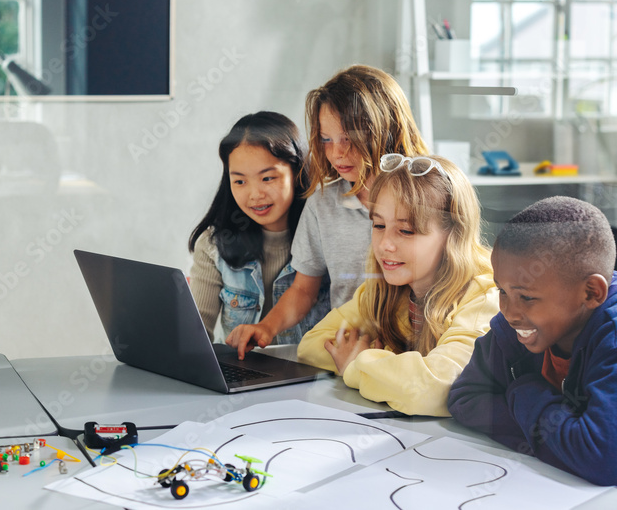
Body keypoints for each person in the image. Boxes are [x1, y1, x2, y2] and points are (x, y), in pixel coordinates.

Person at [227, 65, 428, 358]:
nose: (337, 153)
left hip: (414, 355)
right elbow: (302, 290)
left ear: (386, 128)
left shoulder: (429, 194)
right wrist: (266, 327)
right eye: (326, 139)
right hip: (347, 356)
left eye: (349, 138)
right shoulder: (323, 203)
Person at [296, 154, 498, 417]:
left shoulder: (485, 297)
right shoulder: (383, 292)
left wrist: (356, 363)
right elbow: (311, 346)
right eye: (379, 225)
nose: (384, 245)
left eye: (406, 231)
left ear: (453, 235)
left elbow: (432, 390)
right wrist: (390, 371)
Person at [448, 196, 617, 486]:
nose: (509, 312)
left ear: (591, 293)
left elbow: (604, 459)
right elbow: (464, 397)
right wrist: (563, 431)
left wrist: (523, 391)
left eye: (526, 297)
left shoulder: (611, 334)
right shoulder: (516, 327)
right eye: (502, 291)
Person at [188, 111, 330, 344]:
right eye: (240, 181)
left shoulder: (326, 234)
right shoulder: (214, 244)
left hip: (313, 377)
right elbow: (195, 337)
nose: (255, 195)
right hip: (243, 375)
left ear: (296, 172)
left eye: (267, 178)